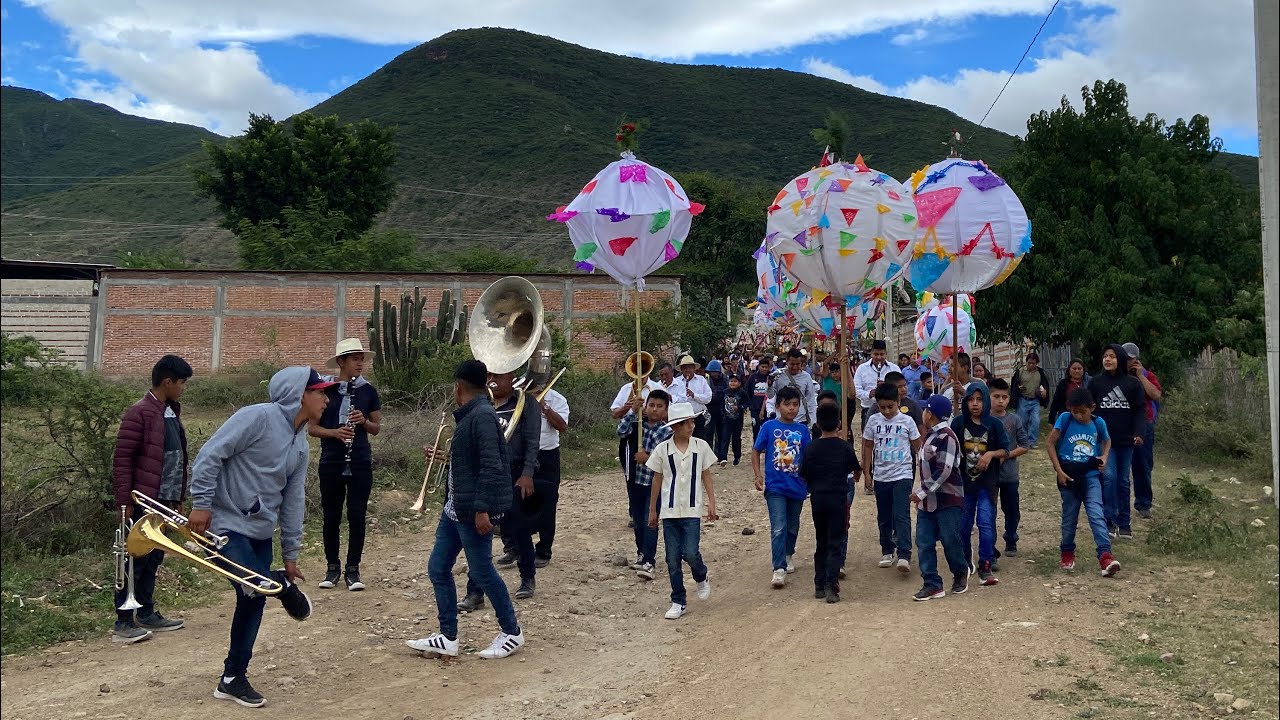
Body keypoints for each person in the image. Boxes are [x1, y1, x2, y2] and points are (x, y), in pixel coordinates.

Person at [188, 367, 323, 708]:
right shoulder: (257, 418)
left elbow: (294, 500)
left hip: (260, 533)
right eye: (320, 391)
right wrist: (201, 504)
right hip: (224, 525)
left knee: (253, 596)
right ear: (299, 394)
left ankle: (232, 678)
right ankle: (278, 585)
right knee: (254, 584)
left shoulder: (301, 442)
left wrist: (290, 554)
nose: (326, 398)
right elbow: (210, 455)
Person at [407, 360, 525, 661]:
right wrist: (446, 456)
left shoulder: (482, 416)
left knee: (483, 571)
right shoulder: (473, 415)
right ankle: (448, 637)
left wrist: (483, 509)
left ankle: (512, 632)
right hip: (454, 508)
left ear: (458, 386)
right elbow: (470, 461)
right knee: (437, 568)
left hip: (471, 510)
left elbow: (491, 465)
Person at [110, 354, 194, 643]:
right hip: (143, 499)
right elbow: (123, 459)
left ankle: (146, 612)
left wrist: (177, 496)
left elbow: (174, 458)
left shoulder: (170, 410)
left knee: (154, 556)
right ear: (167, 382)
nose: (183, 388)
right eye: (181, 383)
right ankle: (123, 621)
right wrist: (125, 501)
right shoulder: (140, 412)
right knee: (133, 559)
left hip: (165, 501)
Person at [465, 368, 542, 605]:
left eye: (498, 376)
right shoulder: (480, 403)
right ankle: (475, 590)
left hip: (515, 472)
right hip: (486, 474)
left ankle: (527, 576)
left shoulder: (525, 403)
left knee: (519, 528)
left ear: (511, 378)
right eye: (489, 376)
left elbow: (532, 440)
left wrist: (528, 473)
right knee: (480, 530)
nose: (493, 381)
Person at [311, 339, 382, 592]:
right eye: (354, 359)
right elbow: (312, 428)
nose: (360, 363)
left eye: (361, 358)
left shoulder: (368, 391)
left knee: (356, 514)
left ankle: (353, 569)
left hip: (359, 460)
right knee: (331, 516)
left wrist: (362, 422)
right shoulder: (325, 389)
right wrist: (335, 433)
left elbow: (376, 428)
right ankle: (332, 568)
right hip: (331, 460)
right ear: (341, 362)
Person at [646, 403, 718, 620]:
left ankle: (701, 574)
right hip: (669, 510)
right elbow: (657, 479)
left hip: (691, 509)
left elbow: (706, 475)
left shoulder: (701, 447)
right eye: (687, 422)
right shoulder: (663, 450)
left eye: (692, 422)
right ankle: (678, 599)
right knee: (671, 558)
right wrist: (652, 509)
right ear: (676, 426)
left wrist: (711, 503)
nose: (692, 426)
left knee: (690, 552)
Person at [1045, 387, 1121, 577]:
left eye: (1083, 412)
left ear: (1092, 408)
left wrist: (1104, 457)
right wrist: (1059, 470)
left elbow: (1107, 440)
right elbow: (1050, 443)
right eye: (1075, 411)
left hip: (1090, 474)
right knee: (1070, 516)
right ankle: (1067, 551)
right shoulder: (1065, 419)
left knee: (1096, 513)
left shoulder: (1098, 422)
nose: (1079, 416)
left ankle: (1105, 555)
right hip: (1068, 474)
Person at [950, 382, 1011, 587]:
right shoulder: (958, 424)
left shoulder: (994, 425)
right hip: (964, 485)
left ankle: (986, 564)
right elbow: (950, 449)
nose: (975, 404)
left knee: (986, 524)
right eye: (971, 400)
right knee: (964, 527)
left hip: (987, 484)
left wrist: (991, 454)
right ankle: (966, 560)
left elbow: (1006, 449)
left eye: (979, 399)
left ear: (985, 401)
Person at [800, 404, 861, 603]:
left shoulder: (811, 448)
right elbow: (856, 470)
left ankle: (819, 583)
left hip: (818, 498)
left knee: (821, 541)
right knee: (836, 541)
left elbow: (803, 474)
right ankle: (831, 585)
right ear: (839, 423)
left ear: (817, 424)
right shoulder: (845, 447)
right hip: (838, 498)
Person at [752, 385, 811, 589]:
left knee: (792, 525)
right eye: (787, 404)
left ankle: (788, 554)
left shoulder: (803, 430)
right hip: (775, 486)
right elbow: (756, 450)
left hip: (797, 486)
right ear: (778, 406)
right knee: (778, 526)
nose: (792, 409)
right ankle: (778, 568)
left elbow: (808, 457)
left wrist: (809, 480)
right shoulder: (768, 427)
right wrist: (758, 475)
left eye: (795, 405)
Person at [910, 395, 969, 600]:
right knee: (924, 541)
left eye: (925, 410)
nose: (922, 414)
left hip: (948, 500)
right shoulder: (928, 435)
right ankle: (932, 583)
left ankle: (960, 571)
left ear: (931, 414)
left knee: (949, 539)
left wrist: (921, 492)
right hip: (928, 503)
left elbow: (944, 470)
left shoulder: (947, 437)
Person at [862, 383, 922, 573]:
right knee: (884, 515)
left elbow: (918, 447)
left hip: (903, 474)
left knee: (902, 514)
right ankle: (887, 550)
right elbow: (867, 446)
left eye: (891, 406)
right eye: (882, 407)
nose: (887, 411)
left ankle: (904, 553)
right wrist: (867, 472)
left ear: (898, 402)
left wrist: (923, 473)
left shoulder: (907, 422)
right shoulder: (873, 421)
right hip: (881, 475)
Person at [1091, 344, 1148, 539]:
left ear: (1121, 360)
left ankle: (1124, 523)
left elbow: (1140, 410)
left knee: (1123, 481)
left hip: (1126, 441)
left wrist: (1139, 432)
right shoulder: (1095, 383)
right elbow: (1087, 409)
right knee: (1108, 478)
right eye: (1105, 356)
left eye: (1112, 356)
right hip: (1104, 442)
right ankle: (1108, 520)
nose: (1108, 359)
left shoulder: (1132, 384)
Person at [617, 390, 673, 580]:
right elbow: (621, 431)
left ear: (666, 410)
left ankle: (649, 561)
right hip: (635, 480)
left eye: (659, 406)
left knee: (650, 520)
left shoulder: (667, 431)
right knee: (638, 520)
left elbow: (665, 460)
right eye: (651, 405)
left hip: (654, 484)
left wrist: (646, 458)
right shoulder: (636, 424)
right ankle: (641, 553)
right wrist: (632, 410)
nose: (654, 410)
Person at [611, 367, 666, 526]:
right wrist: (629, 408)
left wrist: (650, 412)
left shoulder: (656, 387)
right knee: (631, 474)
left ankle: (652, 508)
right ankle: (634, 511)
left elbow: (668, 410)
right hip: (631, 435)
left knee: (655, 472)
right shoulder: (626, 389)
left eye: (643, 370)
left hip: (653, 433)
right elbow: (615, 413)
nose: (640, 374)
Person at [988, 378, 1031, 559]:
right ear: (988, 396)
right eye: (996, 396)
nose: (1000, 400)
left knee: (1011, 509)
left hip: (1010, 474)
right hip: (988, 473)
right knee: (989, 510)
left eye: (1004, 397)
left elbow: (1025, 445)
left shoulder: (1014, 419)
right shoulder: (984, 420)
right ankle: (990, 544)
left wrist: (1006, 455)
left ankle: (1011, 538)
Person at [1122, 342, 1163, 520]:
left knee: (1143, 464)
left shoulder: (1147, 375)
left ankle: (1143, 503)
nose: (1131, 362)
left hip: (1144, 423)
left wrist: (1140, 377)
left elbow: (1155, 394)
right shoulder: (1117, 376)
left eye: (1133, 359)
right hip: (1122, 423)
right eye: (1128, 359)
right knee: (1119, 466)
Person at [532, 384, 570, 567]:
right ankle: (513, 546)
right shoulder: (518, 396)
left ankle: (544, 550)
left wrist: (544, 406)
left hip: (547, 455)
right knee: (517, 501)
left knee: (548, 504)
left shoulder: (558, 399)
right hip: (523, 455)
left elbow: (562, 426)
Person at [853, 340, 901, 431]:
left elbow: (901, 388)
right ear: (871, 353)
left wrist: (887, 387)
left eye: (882, 354)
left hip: (891, 410)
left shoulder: (894, 368)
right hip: (868, 409)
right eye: (876, 354)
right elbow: (856, 389)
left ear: (886, 354)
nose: (879, 357)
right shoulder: (862, 369)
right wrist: (869, 394)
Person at [1008, 351, 1051, 447]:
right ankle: (1023, 441)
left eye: (1033, 363)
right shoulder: (1020, 371)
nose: (1031, 365)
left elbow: (1045, 385)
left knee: (1035, 421)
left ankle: (1032, 441)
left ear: (1037, 364)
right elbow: (1014, 385)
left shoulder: (1040, 372)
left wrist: (1044, 392)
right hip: (1023, 399)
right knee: (1022, 421)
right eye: (1029, 363)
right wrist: (1018, 389)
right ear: (1026, 362)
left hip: (1035, 400)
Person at [768, 348, 818, 428]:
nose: (795, 367)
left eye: (798, 364)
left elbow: (811, 401)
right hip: (782, 420)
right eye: (792, 364)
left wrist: (813, 422)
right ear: (787, 361)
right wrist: (769, 385)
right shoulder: (778, 375)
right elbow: (770, 396)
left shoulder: (806, 377)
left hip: (801, 420)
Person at [670, 356, 713, 442]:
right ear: (681, 369)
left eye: (690, 367)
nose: (687, 370)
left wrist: (694, 395)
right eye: (685, 368)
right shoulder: (677, 382)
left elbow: (708, 398)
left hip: (698, 417)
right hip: (682, 419)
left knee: (699, 442)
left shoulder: (701, 380)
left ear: (694, 368)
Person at [717, 374, 751, 466]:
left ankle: (737, 456)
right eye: (731, 381)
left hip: (737, 420)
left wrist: (740, 407)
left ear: (739, 383)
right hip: (726, 419)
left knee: (736, 439)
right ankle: (723, 457)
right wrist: (722, 414)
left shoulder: (742, 392)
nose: (733, 383)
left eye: (735, 381)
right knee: (725, 438)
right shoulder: (725, 392)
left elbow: (747, 403)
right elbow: (721, 404)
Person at [705, 359, 729, 455]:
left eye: (715, 372)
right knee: (709, 433)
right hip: (710, 408)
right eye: (712, 372)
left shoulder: (725, 379)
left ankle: (719, 453)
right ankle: (709, 454)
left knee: (721, 433)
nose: (713, 374)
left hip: (721, 408)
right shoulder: (707, 380)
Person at [748, 356, 773, 441]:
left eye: (766, 367)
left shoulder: (770, 377)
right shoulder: (752, 377)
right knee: (756, 428)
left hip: (767, 409)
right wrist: (750, 404)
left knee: (767, 428)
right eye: (762, 367)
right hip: (755, 408)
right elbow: (748, 391)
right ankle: (756, 444)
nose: (764, 369)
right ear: (759, 367)